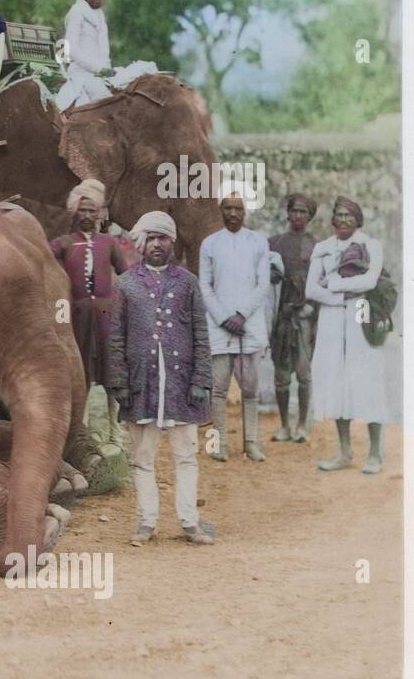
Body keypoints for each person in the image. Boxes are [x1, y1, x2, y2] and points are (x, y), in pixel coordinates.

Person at [106, 211, 215, 545]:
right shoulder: (125, 284)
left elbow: (200, 332)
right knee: (142, 458)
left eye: (162, 238)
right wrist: (120, 382)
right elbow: (115, 337)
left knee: (185, 454)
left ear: (172, 241)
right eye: (150, 238)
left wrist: (201, 379)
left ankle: (189, 521)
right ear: (141, 243)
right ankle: (146, 522)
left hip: (182, 385)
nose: (156, 244)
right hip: (141, 385)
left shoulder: (187, 282)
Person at [306, 197, 390, 474]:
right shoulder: (323, 248)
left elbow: (369, 281)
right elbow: (311, 290)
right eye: (338, 215)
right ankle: (344, 452)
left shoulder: (370, 245)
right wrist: (343, 295)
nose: (343, 219)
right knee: (337, 381)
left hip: (361, 316)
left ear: (358, 219)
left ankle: (376, 453)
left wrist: (332, 283)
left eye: (348, 215)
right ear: (332, 219)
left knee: (367, 379)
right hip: (332, 319)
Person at [50, 180, 133, 439]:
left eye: (92, 210)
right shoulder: (63, 243)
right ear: (74, 211)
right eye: (82, 210)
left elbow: (127, 275)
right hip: (76, 317)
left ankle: (114, 427)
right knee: (80, 370)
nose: (87, 216)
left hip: (107, 316)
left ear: (100, 213)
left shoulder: (109, 243)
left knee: (111, 369)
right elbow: (43, 265)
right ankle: (79, 428)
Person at [199, 193, 271, 462]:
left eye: (237, 209)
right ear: (221, 211)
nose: (232, 213)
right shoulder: (210, 243)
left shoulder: (258, 242)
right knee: (217, 389)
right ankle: (219, 444)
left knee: (250, 389)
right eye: (227, 208)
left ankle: (251, 443)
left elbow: (263, 284)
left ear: (245, 212)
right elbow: (205, 285)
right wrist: (223, 317)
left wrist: (241, 315)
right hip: (220, 326)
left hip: (249, 324)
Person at [268, 193, 319, 442]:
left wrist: (310, 307)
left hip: (305, 317)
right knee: (281, 374)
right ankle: (284, 425)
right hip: (281, 316)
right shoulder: (274, 243)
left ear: (309, 216)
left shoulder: (317, 246)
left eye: (304, 212)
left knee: (303, 372)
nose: (298, 215)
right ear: (288, 213)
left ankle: (301, 425)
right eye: (295, 211)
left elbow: (322, 282)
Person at [56, 0, 114, 110]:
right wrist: (98, 69)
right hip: (81, 76)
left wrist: (106, 70)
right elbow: (72, 50)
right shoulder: (77, 12)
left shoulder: (100, 16)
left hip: (102, 75)